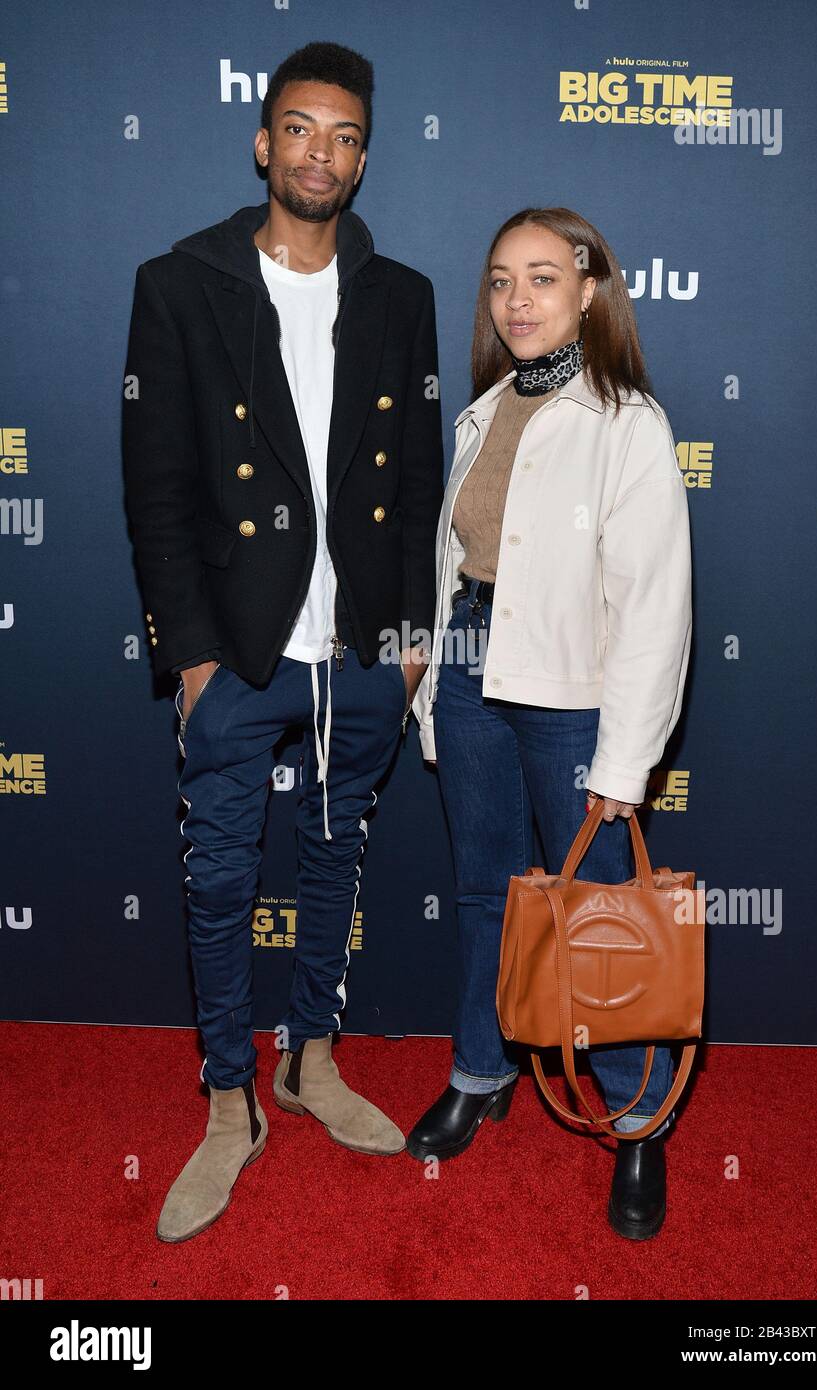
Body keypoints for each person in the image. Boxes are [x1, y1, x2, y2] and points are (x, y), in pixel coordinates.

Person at [121, 41, 443, 1243]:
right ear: (264, 143)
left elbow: (413, 489)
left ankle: (312, 1060)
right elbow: (153, 492)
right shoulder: (180, 283)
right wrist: (191, 657)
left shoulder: (399, 296)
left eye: (344, 135)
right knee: (214, 884)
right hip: (237, 652)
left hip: (357, 652)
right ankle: (227, 1101)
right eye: (299, 129)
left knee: (333, 863)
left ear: (363, 157)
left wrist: (408, 641)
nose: (321, 151)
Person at [406, 207, 692, 1240]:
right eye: (497, 281)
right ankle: (480, 1072)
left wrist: (625, 756)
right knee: (485, 890)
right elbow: (461, 571)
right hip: (479, 666)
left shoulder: (627, 420)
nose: (516, 300)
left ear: (587, 292)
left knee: (599, 924)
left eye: (540, 278)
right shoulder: (483, 412)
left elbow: (655, 604)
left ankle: (635, 1120)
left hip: (572, 693)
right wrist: (438, 673)